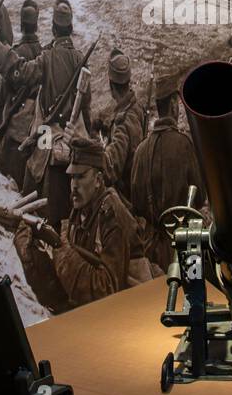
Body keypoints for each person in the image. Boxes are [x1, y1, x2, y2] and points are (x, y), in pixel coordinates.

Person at [0, 0, 89, 226]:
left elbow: (20, 72)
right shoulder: (81, 59)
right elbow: (86, 108)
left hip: (46, 134)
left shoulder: (47, 58)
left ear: (53, 28)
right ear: (70, 28)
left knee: (35, 173)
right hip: (72, 139)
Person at [13, 137, 136, 313]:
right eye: (71, 177)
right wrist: (31, 254)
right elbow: (63, 289)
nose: (74, 185)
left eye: (80, 177)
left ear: (98, 180)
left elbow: (107, 292)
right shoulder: (80, 210)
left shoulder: (111, 215)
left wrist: (62, 251)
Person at [129, 74, 205, 271]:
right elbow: (200, 198)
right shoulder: (184, 144)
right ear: (173, 104)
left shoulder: (140, 151)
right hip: (183, 247)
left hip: (150, 251)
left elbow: (136, 204)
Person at [0, 0, 42, 183]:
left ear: (21, 26)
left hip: (16, 129)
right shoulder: (43, 53)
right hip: (36, 127)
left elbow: (2, 94)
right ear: (36, 25)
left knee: (9, 176)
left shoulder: (16, 53)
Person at [99, 48, 144, 204]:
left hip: (126, 197)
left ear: (111, 85)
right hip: (137, 184)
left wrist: (96, 153)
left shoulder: (122, 123)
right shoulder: (137, 107)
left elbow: (110, 170)